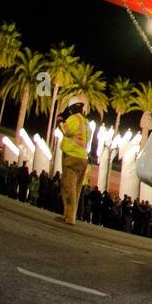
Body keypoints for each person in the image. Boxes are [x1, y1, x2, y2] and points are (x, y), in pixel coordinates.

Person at [58, 95, 91, 226]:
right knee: (76, 190)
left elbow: (66, 131)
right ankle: (69, 215)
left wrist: (60, 121)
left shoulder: (74, 118)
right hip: (83, 158)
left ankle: (69, 217)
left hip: (72, 156)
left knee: (68, 187)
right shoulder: (86, 123)